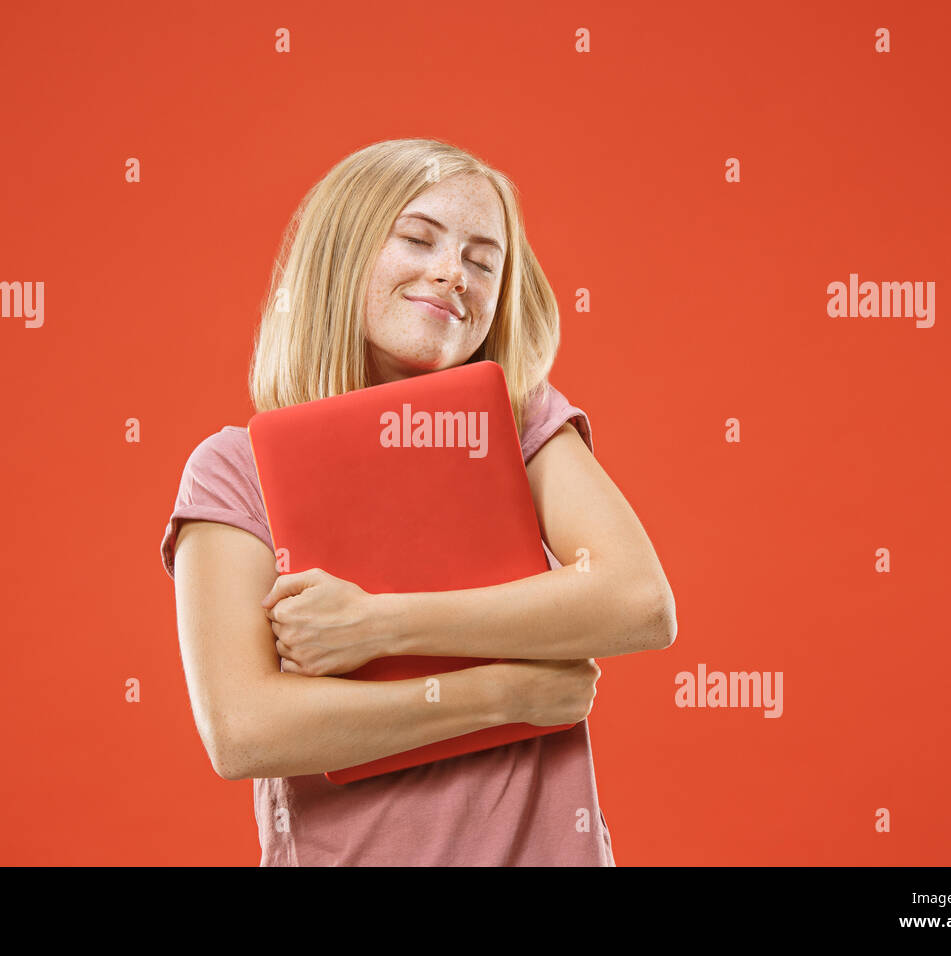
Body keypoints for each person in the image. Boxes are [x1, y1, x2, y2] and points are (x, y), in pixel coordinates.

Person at [160, 137, 677, 866]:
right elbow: (245, 728)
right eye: (419, 238)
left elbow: (638, 602)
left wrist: (379, 625)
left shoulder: (519, 422)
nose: (451, 273)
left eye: (482, 260)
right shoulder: (232, 473)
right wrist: (505, 697)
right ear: (341, 254)